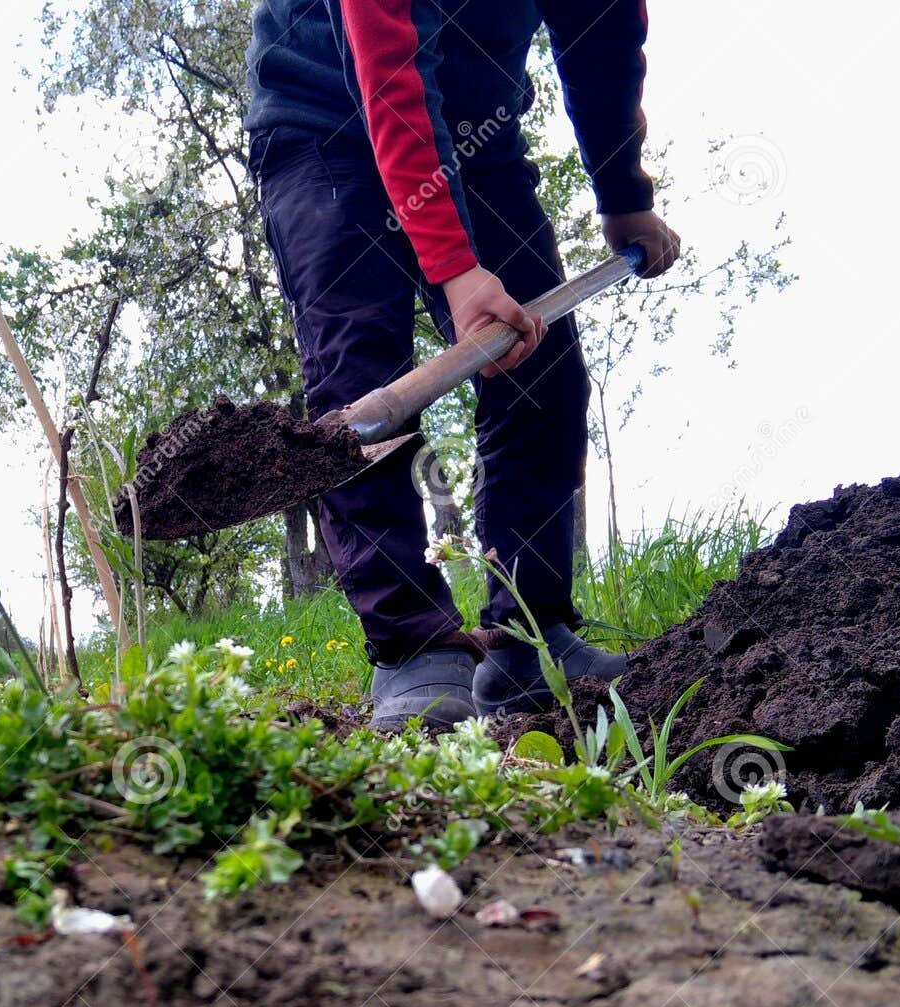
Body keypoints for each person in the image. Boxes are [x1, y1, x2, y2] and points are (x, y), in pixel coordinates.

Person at [245, 0, 682, 731]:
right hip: (325, 114)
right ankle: (414, 648)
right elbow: (388, 61)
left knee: (540, 366)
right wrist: (454, 266)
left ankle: (528, 639)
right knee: (359, 381)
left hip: (477, 129)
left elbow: (600, 35)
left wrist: (623, 194)